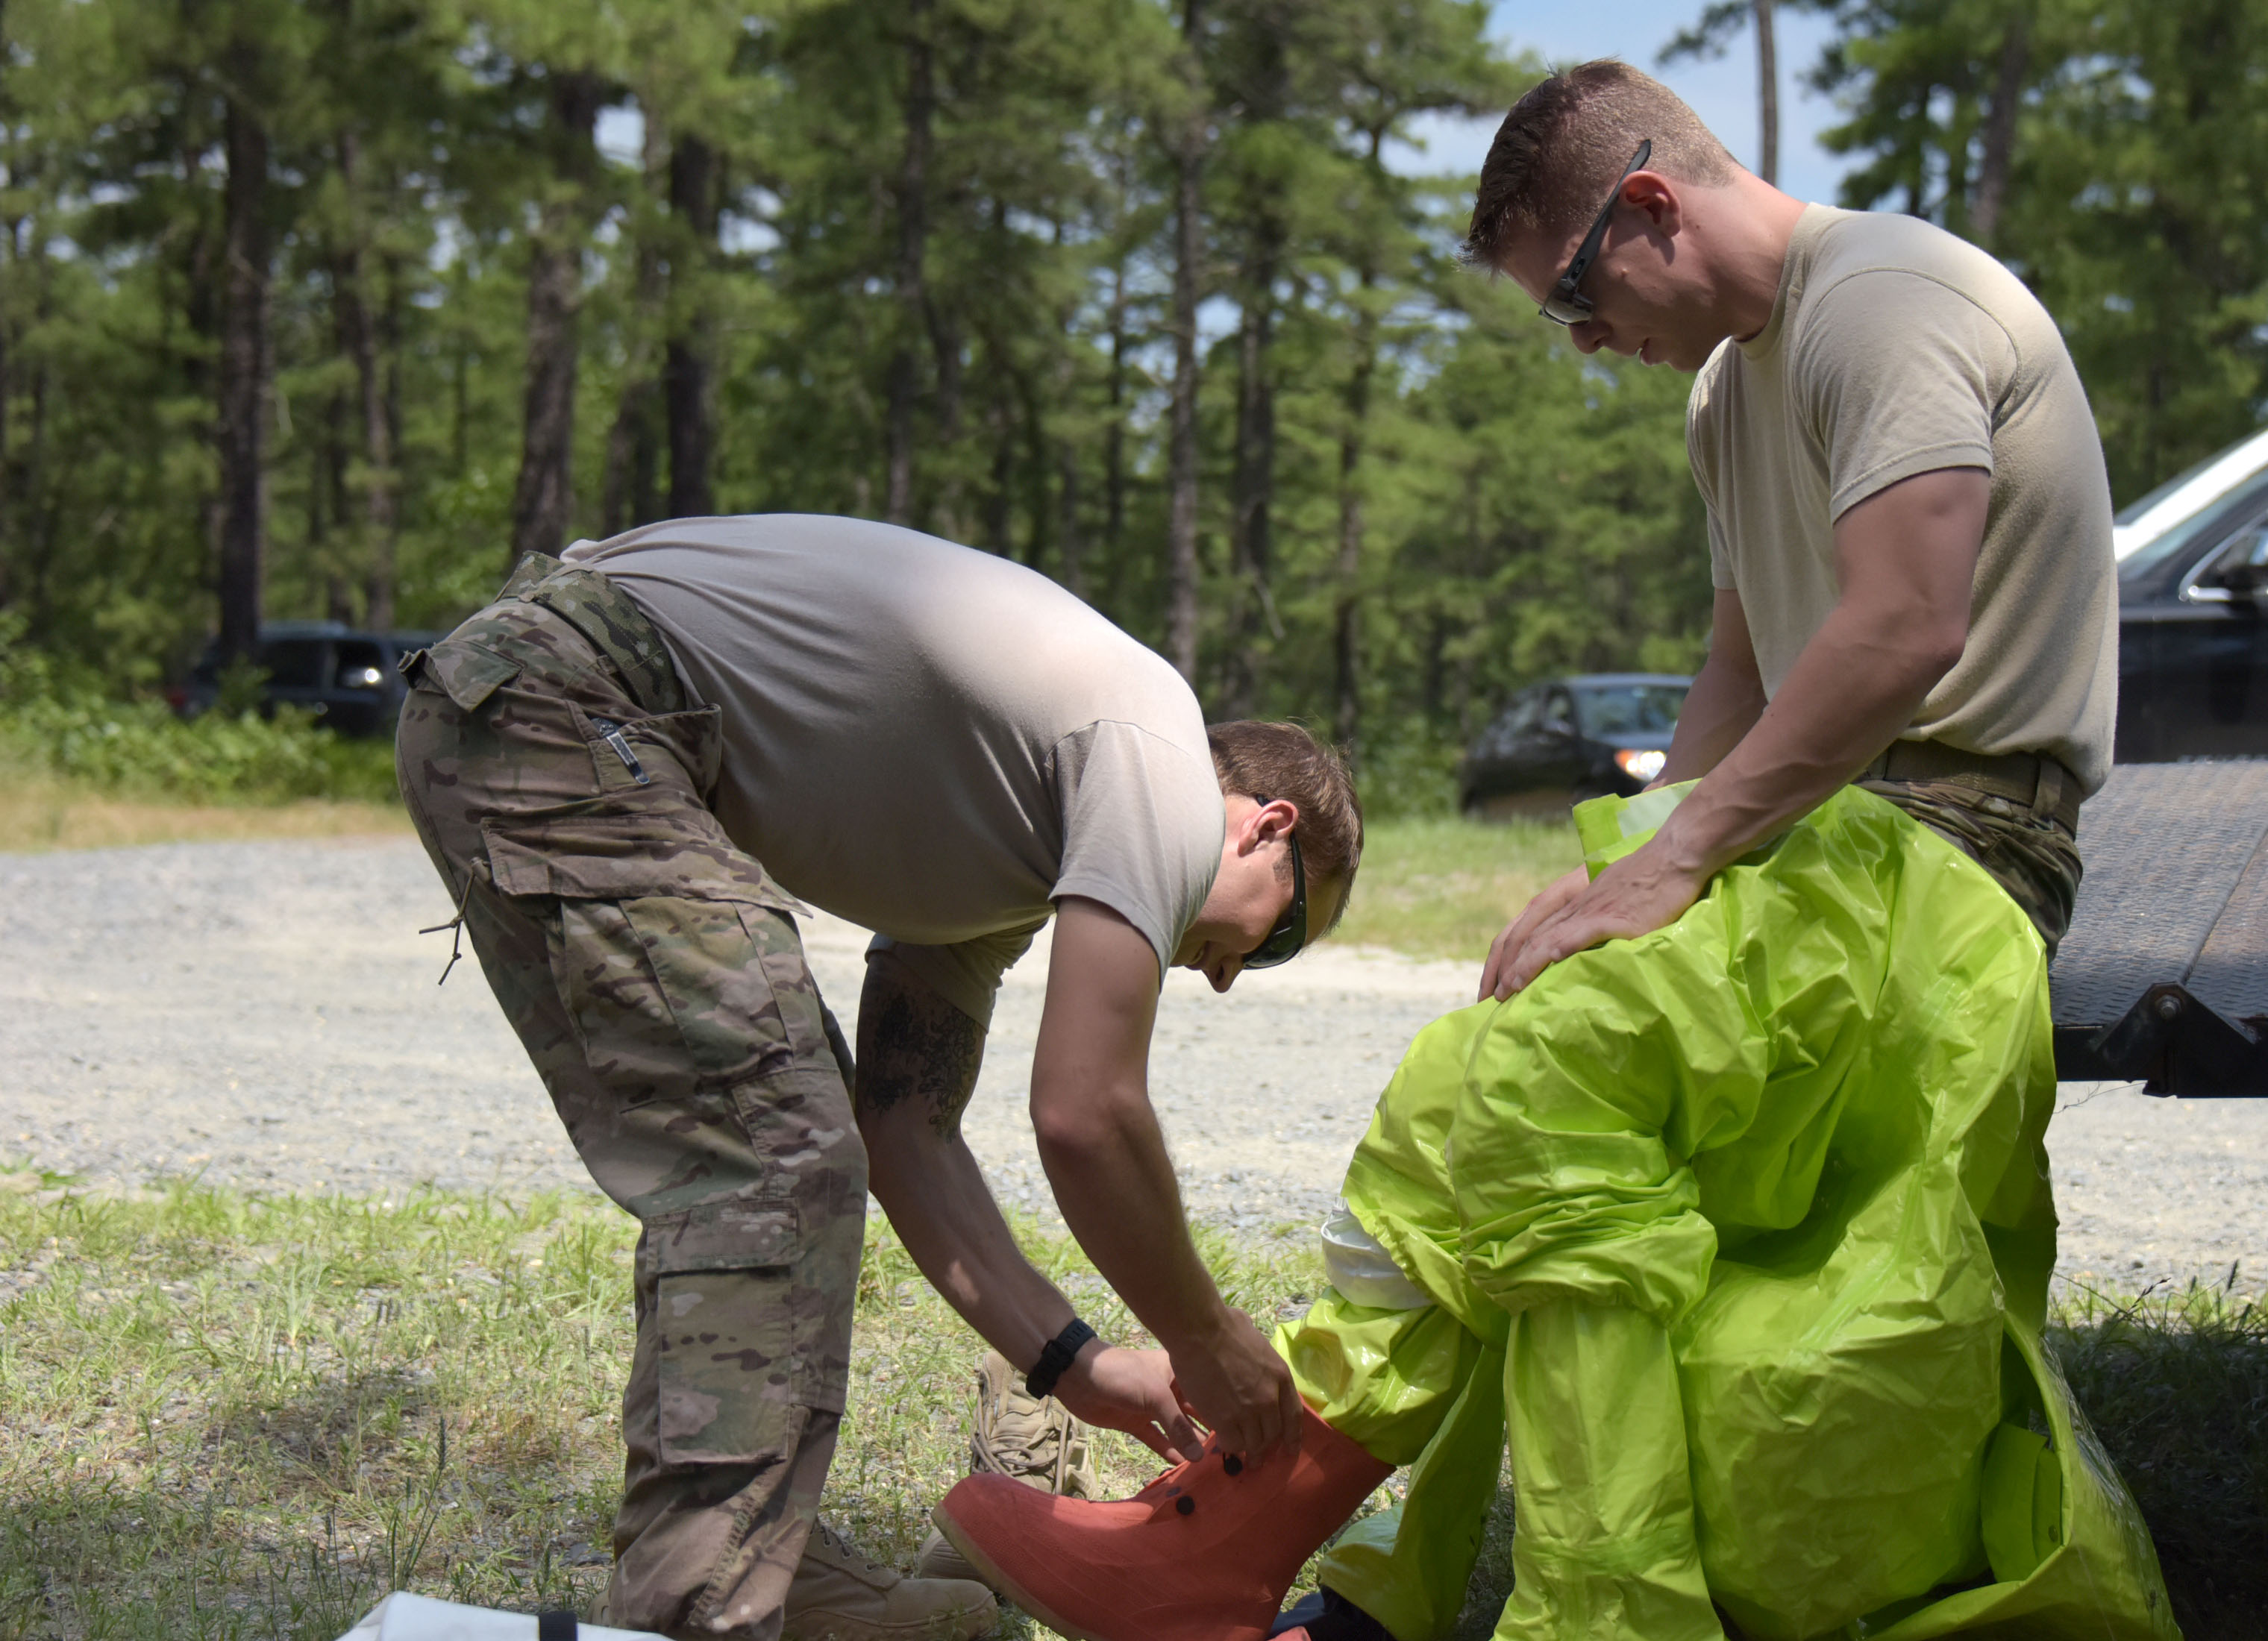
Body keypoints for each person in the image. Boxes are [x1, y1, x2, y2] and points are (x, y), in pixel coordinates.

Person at [927, 61, 2175, 1641]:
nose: (1586, 346)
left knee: (1510, 1097)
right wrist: (1630, 863)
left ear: (1650, 202)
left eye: (1577, 296)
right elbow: (1735, 673)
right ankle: (1326, 1583)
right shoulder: (1728, 386)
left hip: (1949, 851)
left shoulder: (1886, 299)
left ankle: (1303, 1557)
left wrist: (1671, 868)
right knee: (1515, 1080)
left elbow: (1899, 630)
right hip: (1827, 852)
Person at [393, 512, 1362, 1641]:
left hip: (521, 705)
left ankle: (758, 1573)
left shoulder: (1006, 851)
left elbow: (907, 1135)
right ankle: (704, 1610)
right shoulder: (1161, 763)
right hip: (572, 702)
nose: (1237, 977)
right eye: (1285, 932)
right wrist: (1206, 1337)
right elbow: (1086, 1111)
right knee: (772, 1164)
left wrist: (1076, 1363)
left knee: (785, 1153)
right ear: (1265, 827)